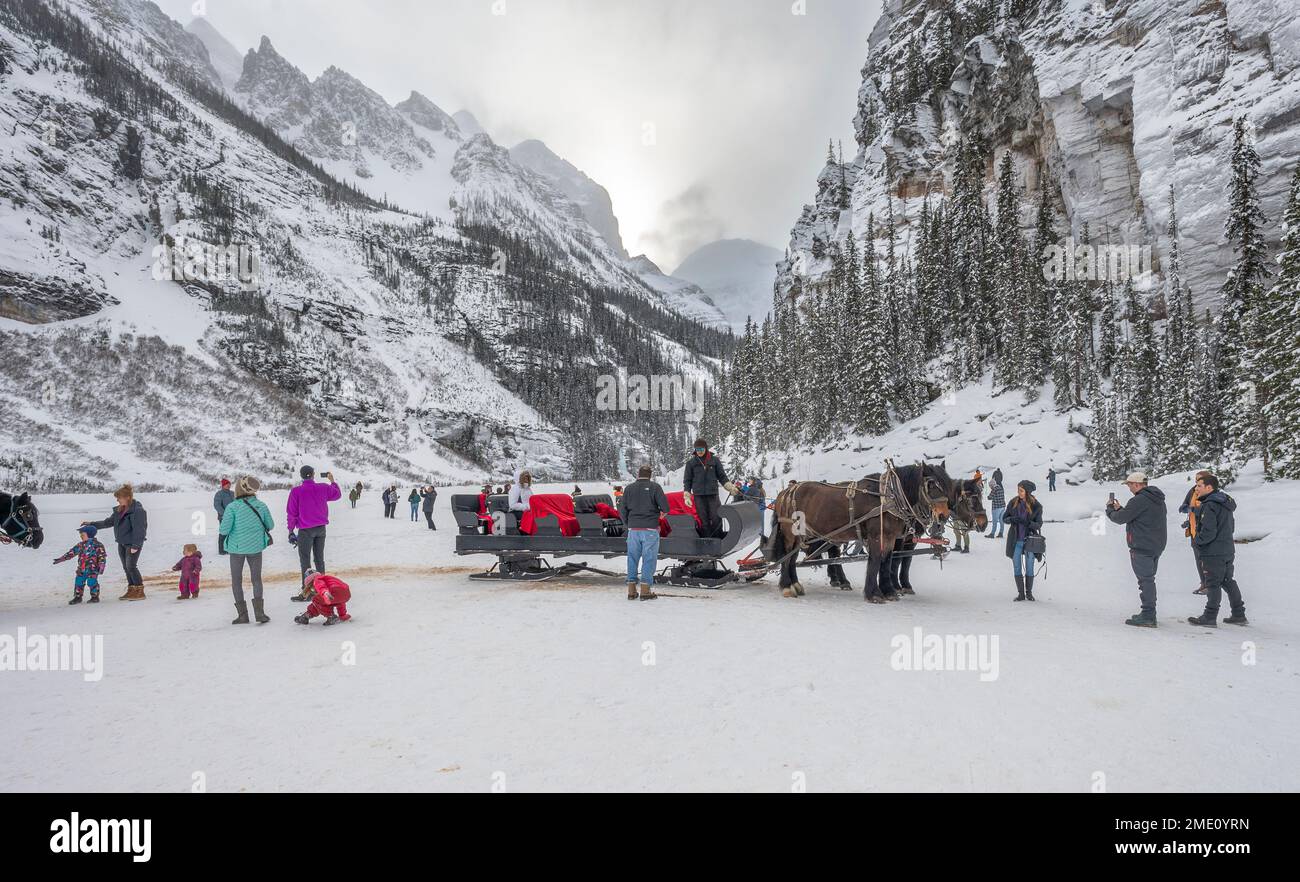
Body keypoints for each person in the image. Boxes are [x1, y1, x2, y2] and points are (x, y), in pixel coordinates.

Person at [1106, 471, 1168, 628]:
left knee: (1146, 580)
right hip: (1155, 545)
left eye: (1129, 485)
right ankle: (1148, 613)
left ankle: (1148, 615)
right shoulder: (1156, 498)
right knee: (1148, 579)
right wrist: (1121, 509)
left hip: (1142, 546)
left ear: (1137, 484)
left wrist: (1110, 510)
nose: (1128, 488)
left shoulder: (1139, 500)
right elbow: (1136, 516)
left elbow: (1121, 519)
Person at [1188, 474, 1248, 628]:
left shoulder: (1209, 505)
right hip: (1227, 549)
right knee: (1227, 581)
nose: (1196, 489)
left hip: (1213, 551)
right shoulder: (1224, 503)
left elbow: (1208, 532)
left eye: (1199, 486)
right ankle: (1238, 614)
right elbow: (1231, 527)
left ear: (1209, 487)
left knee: (1213, 583)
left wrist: (1197, 542)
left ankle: (1209, 616)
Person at [221, 475, 274, 624]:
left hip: (236, 548)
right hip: (256, 547)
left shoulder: (232, 507)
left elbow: (224, 530)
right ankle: (260, 614)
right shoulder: (261, 505)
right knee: (256, 579)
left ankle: (243, 616)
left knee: (236, 581)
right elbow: (270, 525)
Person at [84, 484, 148, 601]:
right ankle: (131, 589)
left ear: (127, 497)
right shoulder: (120, 510)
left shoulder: (137, 511)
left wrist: (136, 545)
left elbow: (140, 529)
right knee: (126, 567)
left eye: (119, 497)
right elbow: (108, 522)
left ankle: (139, 591)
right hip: (122, 543)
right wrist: (92, 524)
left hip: (132, 544)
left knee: (131, 566)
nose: (117, 500)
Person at [287, 466, 341, 601]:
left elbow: (292, 513)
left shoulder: (296, 491)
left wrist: (290, 531)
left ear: (301, 476)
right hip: (321, 529)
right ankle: (322, 589)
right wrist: (332, 481)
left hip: (305, 530)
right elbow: (337, 494)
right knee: (319, 559)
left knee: (305, 561)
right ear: (313, 475)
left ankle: (307, 592)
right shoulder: (323, 487)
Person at [619, 465, 670, 601]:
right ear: (650, 475)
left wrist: (628, 524)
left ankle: (631, 590)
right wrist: (659, 517)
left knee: (632, 558)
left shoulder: (629, 488)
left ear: (638, 474)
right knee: (649, 558)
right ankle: (645, 590)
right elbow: (665, 508)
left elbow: (622, 510)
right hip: (650, 530)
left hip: (633, 530)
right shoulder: (655, 487)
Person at [683, 438, 738, 539]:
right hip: (698, 496)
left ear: (706, 448)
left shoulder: (714, 460)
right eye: (697, 449)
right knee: (704, 520)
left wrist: (730, 487)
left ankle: (718, 540)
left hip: (712, 494)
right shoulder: (691, 463)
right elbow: (687, 480)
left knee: (716, 517)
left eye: (701, 449)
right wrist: (687, 495)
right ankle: (707, 541)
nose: (699, 451)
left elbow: (722, 476)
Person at [1004, 480, 1043, 602]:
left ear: (1027, 492)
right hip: (1015, 540)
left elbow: (1039, 524)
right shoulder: (1013, 502)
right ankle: (1021, 594)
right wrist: (1012, 519)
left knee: (1030, 567)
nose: (1019, 492)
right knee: (1016, 566)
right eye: (1018, 490)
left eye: (1021, 490)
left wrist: (1029, 523)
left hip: (1029, 541)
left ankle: (1029, 593)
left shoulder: (1036, 506)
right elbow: (1004, 518)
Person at [53, 525, 107, 605]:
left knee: (91, 582)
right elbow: (71, 553)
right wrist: (61, 559)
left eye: (83, 534)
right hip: (81, 568)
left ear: (90, 534)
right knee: (78, 582)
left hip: (93, 569)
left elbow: (102, 556)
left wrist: (101, 566)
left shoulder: (98, 545)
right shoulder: (80, 545)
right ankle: (78, 597)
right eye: (80, 534)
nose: (81, 536)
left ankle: (94, 596)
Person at [1178, 470, 1213, 595]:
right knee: (1198, 559)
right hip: (1193, 531)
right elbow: (1184, 506)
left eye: (1199, 481)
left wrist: (1193, 509)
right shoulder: (1193, 491)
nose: (1196, 484)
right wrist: (1186, 509)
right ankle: (1203, 583)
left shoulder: (1211, 494)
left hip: (1205, 532)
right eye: (1196, 481)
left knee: (1206, 559)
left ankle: (1210, 585)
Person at [213, 479, 234, 555]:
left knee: (232, 532)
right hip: (223, 517)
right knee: (223, 533)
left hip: (234, 517)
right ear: (223, 485)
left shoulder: (232, 493)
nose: (228, 485)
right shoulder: (219, 494)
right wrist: (225, 514)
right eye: (226, 484)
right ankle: (222, 550)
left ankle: (230, 548)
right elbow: (217, 505)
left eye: (229, 484)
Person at [985, 473, 1006, 539]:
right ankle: (1001, 533)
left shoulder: (994, 489)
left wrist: (988, 496)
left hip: (996, 507)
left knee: (994, 521)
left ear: (992, 485)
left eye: (990, 486)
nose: (990, 487)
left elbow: (990, 497)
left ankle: (992, 534)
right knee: (1001, 521)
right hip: (1002, 506)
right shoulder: (1000, 487)